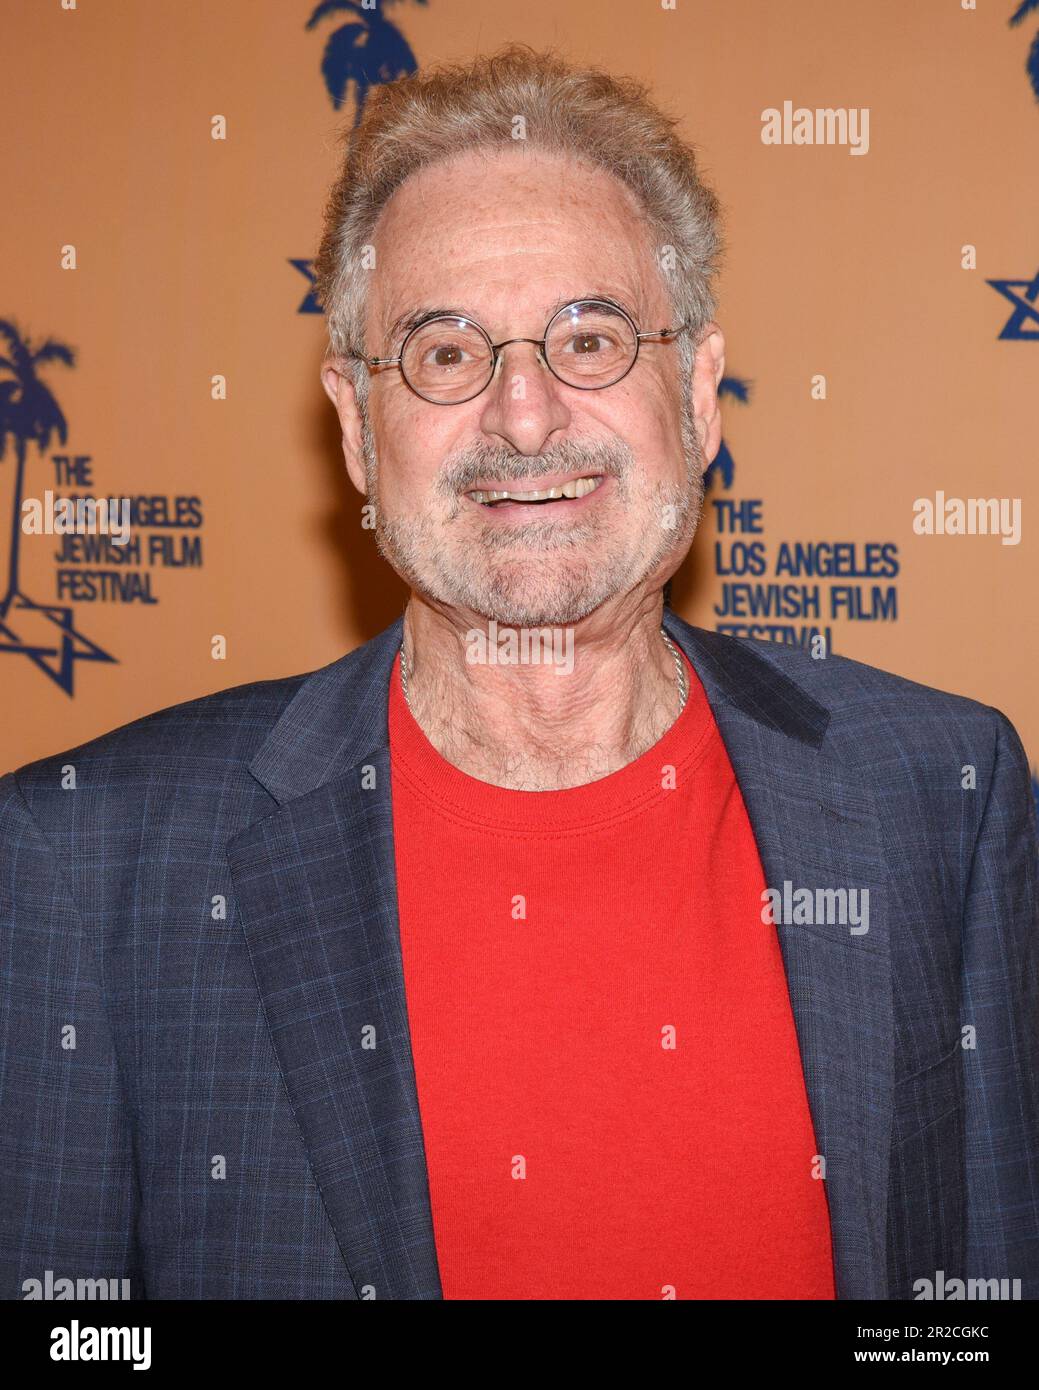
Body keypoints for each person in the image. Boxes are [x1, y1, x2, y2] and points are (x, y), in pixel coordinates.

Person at [1, 45, 1036, 1301]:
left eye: (590, 338)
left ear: (700, 398)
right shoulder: (86, 855)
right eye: (445, 353)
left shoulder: (940, 791)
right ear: (354, 428)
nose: (526, 415)